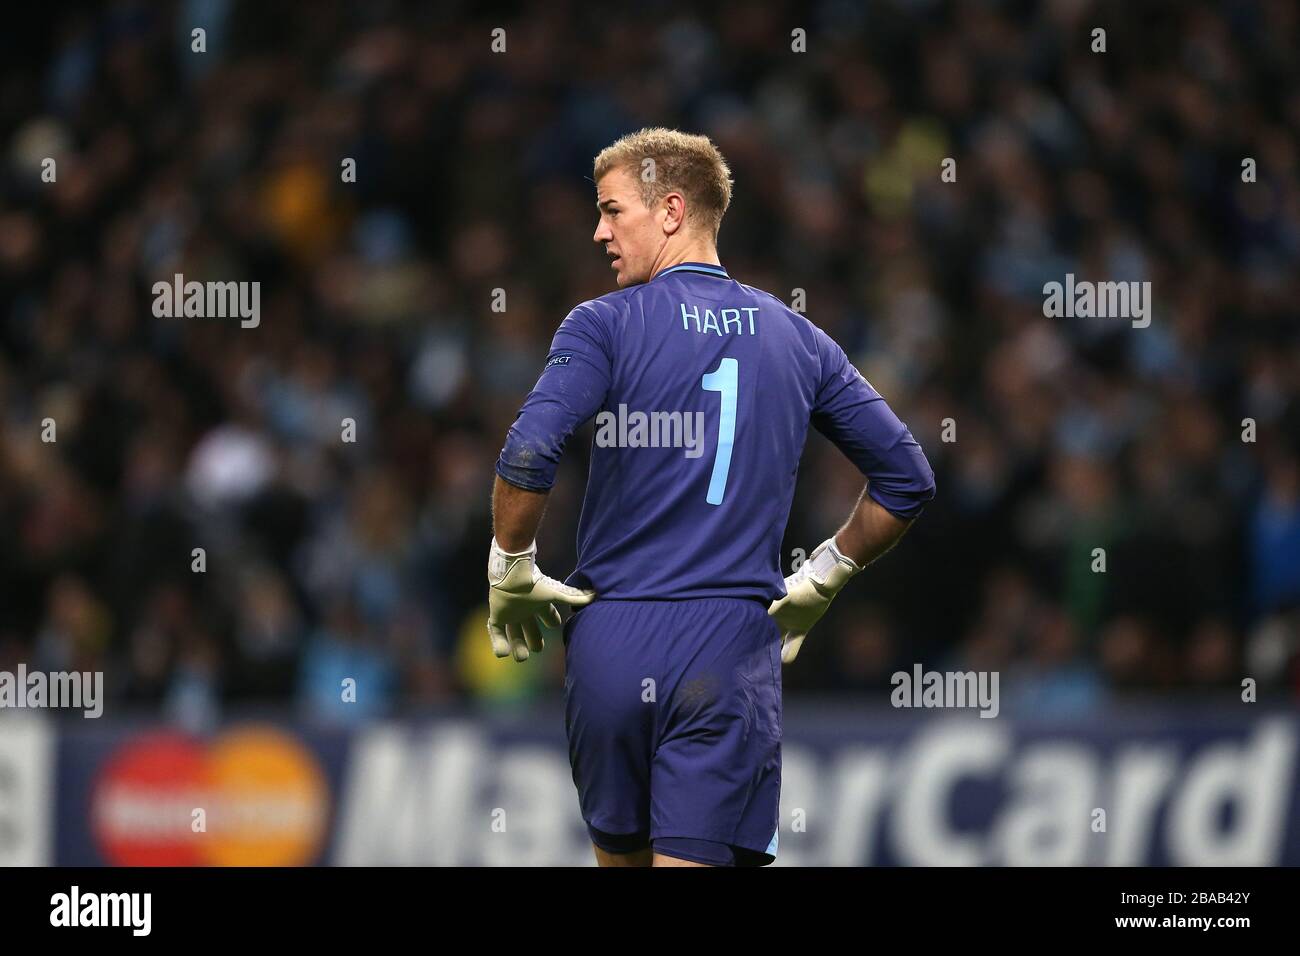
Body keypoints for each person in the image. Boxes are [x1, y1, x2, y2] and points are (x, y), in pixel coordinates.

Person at [487, 128, 936, 867]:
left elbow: (530, 451)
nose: (598, 232)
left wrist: (510, 565)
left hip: (609, 643)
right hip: (727, 649)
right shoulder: (800, 338)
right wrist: (826, 575)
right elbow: (907, 480)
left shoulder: (600, 324)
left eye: (611, 210)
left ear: (669, 210)